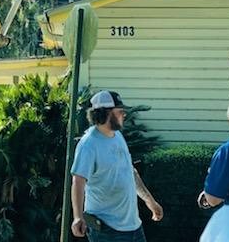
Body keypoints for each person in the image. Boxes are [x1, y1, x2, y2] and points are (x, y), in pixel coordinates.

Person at [70, 90, 164, 241]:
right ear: (105, 113)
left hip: (134, 227)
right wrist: (77, 217)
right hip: (107, 230)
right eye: (120, 111)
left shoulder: (118, 136)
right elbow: (78, 181)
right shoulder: (89, 144)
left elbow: (130, 172)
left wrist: (150, 201)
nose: (124, 115)